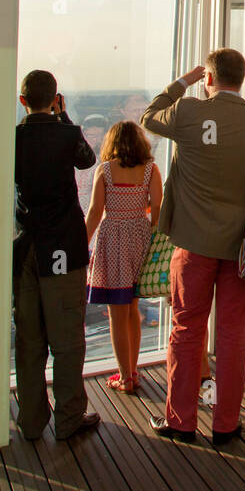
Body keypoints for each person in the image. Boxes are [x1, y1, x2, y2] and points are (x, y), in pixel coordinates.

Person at [141, 49, 245, 447]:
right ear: (241, 78)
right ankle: (226, 424)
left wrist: (183, 82)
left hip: (192, 244)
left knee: (186, 330)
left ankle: (181, 420)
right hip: (244, 246)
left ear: (209, 77)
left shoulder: (187, 111)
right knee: (233, 334)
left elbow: (148, 116)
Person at [13, 70, 100, 440]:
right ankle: (68, 418)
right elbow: (87, 160)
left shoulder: (13, 136)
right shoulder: (66, 133)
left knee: (29, 337)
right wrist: (63, 117)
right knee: (66, 339)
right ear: (55, 99)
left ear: (22, 101)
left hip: (25, 246)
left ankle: (31, 421)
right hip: (62, 245)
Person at [84, 121, 162, 394]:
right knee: (133, 311)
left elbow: (95, 211)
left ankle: (124, 377)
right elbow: (157, 212)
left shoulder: (104, 171)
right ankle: (133, 371)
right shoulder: (151, 170)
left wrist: (83, 243)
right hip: (139, 237)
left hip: (113, 238)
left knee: (116, 314)